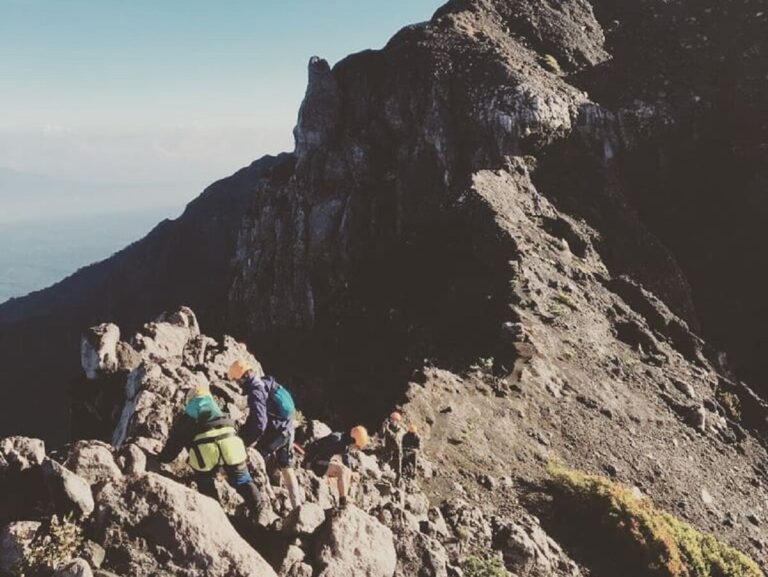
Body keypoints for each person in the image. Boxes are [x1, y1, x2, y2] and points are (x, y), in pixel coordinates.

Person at [158, 385, 264, 514]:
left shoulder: (187, 418)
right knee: (243, 480)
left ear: (189, 400)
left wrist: (161, 458)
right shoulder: (223, 413)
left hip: (206, 454)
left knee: (205, 482)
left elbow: (174, 446)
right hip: (231, 448)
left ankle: (215, 512)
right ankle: (259, 511)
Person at [228, 360, 302, 509]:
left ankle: (271, 499)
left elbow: (260, 424)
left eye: (236, 381)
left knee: (257, 459)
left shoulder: (255, 392)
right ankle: (297, 507)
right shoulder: (265, 381)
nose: (237, 385)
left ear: (241, 379)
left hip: (278, 433)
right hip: (288, 427)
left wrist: (245, 442)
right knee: (287, 467)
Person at [303, 426, 369, 508]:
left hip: (321, 461)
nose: (356, 449)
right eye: (357, 446)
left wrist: (351, 472)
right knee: (342, 470)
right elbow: (315, 446)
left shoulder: (344, 442)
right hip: (314, 463)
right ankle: (343, 501)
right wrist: (308, 463)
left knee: (346, 470)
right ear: (353, 440)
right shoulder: (337, 440)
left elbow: (346, 458)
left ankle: (345, 496)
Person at [383, 411, 405, 482]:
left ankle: (398, 481)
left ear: (397, 421)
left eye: (393, 420)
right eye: (391, 419)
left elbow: (396, 437)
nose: (391, 421)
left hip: (397, 450)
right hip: (388, 449)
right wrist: (383, 428)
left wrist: (387, 430)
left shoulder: (400, 430)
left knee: (398, 467)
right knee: (385, 462)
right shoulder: (388, 426)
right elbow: (380, 436)